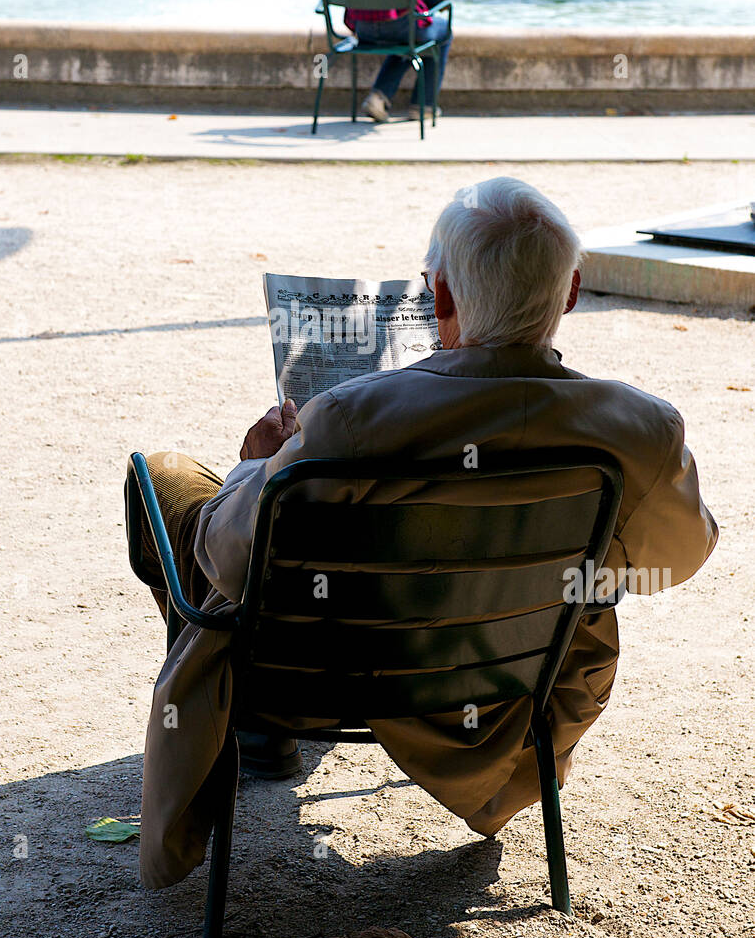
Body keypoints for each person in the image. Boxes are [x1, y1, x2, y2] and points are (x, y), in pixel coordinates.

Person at [130, 177, 718, 890]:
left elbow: (227, 562)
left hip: (325, 672)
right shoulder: (639, 429)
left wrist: (253, 468)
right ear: (569, 293)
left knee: (161, 478)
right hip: (513, 677)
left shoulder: (343, 418)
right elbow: (683, 554)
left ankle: (258, 724)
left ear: (439, 298)